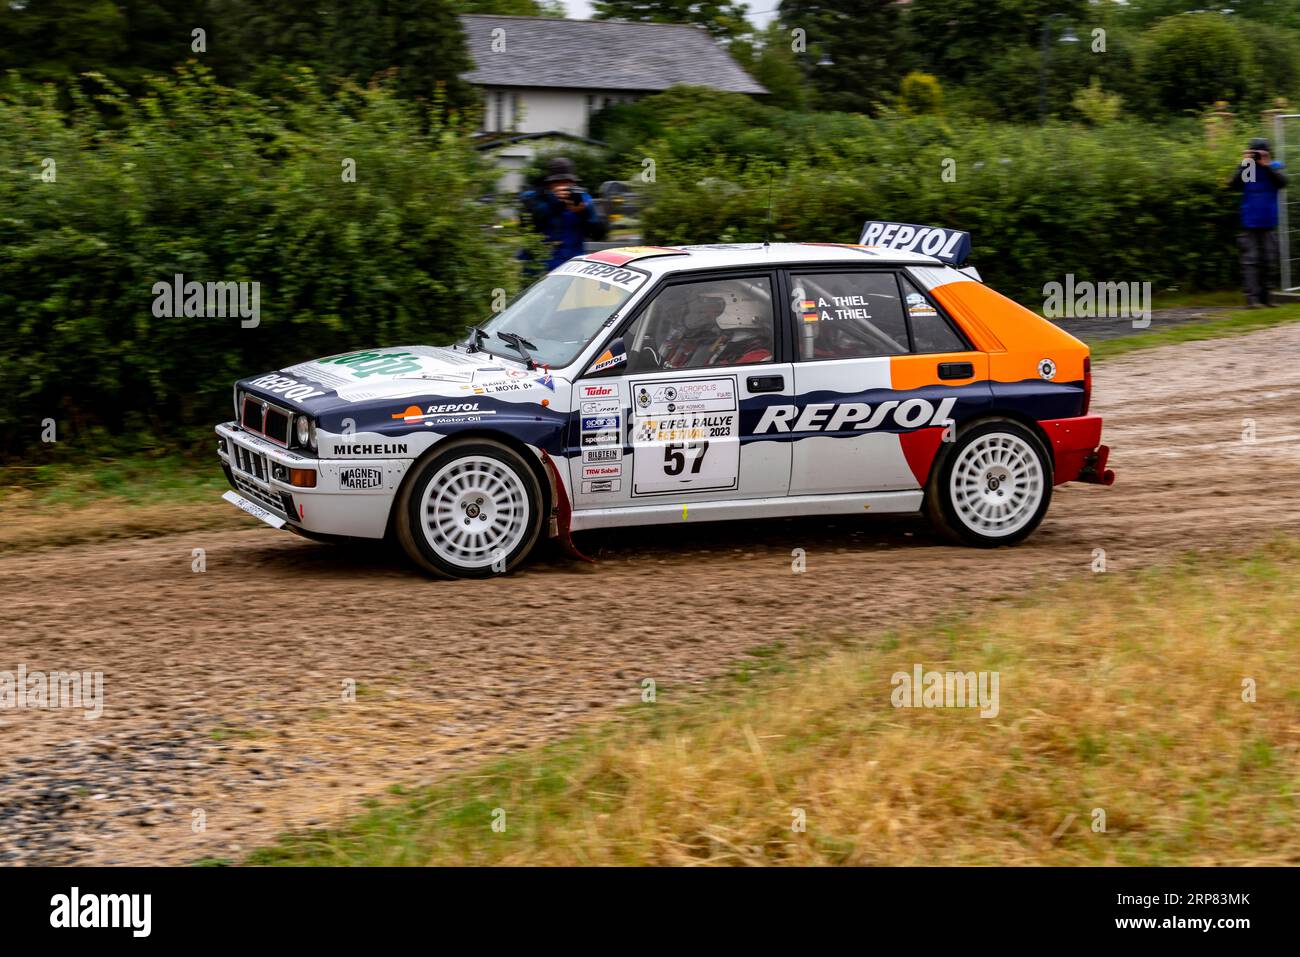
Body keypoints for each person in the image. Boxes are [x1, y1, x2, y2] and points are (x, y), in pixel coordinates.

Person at [1227, 137, 1288, 307]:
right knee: (1251, 261)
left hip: (1269, 220)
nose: (1257, 156)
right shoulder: (1249, 170)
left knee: (1269, 259)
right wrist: (1244, 163)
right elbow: (1234, 185)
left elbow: (1282, 183)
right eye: (1255, 153)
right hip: (1250, 221)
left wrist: (1266, 165)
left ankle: (1266, 298)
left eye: (1259, 153)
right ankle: (1252, 299)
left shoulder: (1274, 167)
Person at [520, 157, 607, 272]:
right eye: (557, 182)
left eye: (567, 181)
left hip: (571, 269)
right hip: (538, 269)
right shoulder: (535, 198)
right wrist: (553, 203)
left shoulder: (582, 198)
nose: (563, 185)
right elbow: (526, 227)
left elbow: (599, 234)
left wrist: (584, 212)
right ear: (548, 184)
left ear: (574, 183)